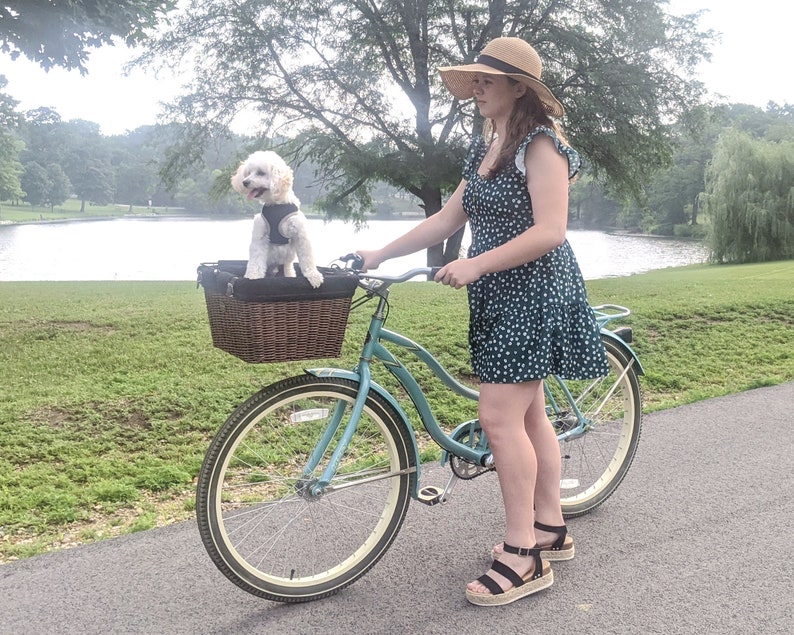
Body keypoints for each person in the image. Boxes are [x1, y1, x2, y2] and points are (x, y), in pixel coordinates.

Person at [356, 37, 609, 606]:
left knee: (498, 419)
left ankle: (524, 555)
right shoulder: (486, 147)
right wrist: (380, 253)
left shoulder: (541, 146)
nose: (476, 89)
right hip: (497, 293)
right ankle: (550, 527)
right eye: (474, 80)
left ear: (519, 88)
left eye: (487, 81)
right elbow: (447, 217)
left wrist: (474, 264)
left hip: (536, 290)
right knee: (528, 412)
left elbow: (550, 231)